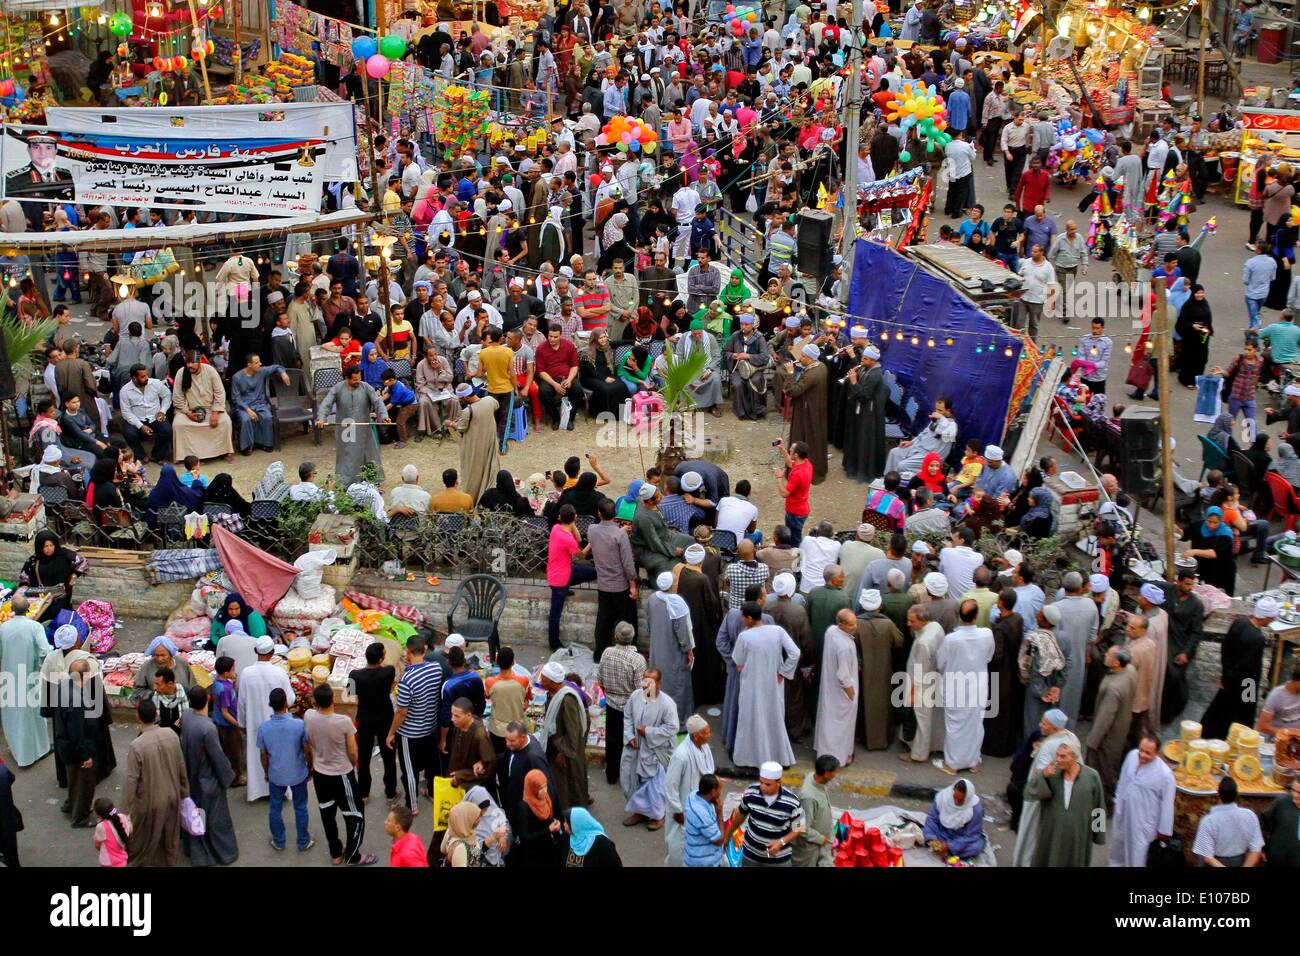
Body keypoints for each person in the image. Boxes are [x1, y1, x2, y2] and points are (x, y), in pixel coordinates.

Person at [306, 683, 374, 866]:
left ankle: (336, 853)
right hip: (342, 775)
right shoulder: (343, 722)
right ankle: (353, 855)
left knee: (327, 814)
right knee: (355, 814)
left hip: (320, 775)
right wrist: (352, 765)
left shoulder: (309, 717)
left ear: (315, 701)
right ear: (333, 700)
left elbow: (308, 742)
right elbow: (353, 751)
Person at [732, 600, 801, 768]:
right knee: (773, 718)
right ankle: (778, 756)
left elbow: (738, 662)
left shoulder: (744, 636)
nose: (741, 619)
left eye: (743, 617)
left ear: (749, 618)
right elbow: (795, 652)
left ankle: (749, 758)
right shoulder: (777, 631)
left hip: (752, 685)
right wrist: (783, 671)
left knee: (751, 719)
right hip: (773, 684)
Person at [122, 698, 190, 867]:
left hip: (149, 802)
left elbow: (131, 781)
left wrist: (124, 812)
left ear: (138, 717)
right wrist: (185, 795)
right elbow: (181, 768)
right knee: (170, 842)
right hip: (173, 796)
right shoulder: (172, 735)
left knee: (143, 843)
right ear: (156, 714)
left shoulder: (137, 745)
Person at [1010, 708, 1080, 864]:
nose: (1040, 724)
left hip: (1040, 800)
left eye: (1044, 723)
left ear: (1054, 728)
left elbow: (1043, 775)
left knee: (1032, 836)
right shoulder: (1071, 738)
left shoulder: (1050, 746)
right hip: (1061, 801)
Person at [179, 685, 239, 866]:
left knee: (195, 815)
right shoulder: (208, 728)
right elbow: (218, 757)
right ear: (209, 699)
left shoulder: (187, 716)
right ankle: (222, 854)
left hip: (191, 775)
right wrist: (228, 776)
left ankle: (195, 851)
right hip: (208, 780)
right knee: (215, 820)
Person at [1024, 739, 1107, 866]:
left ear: (1075, 756)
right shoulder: (1052, 774)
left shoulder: (1092, 777)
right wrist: (1043, 776)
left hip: (1078, 837)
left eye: (1063, 756)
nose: (1058, 759)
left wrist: (1099, 834)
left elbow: (1099, 807)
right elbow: (1029, 793)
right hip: (1052, 835)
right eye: (1057, 755)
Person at [1202, 597, 1275, 739]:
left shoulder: (1239, 623)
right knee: (1243, 716)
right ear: (1265, 616)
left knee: (1220, 710)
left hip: (1229, 676)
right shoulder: (1257, 639)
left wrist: (1225, 676)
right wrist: (1233, 680)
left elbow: (1226, 648)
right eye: (1270, 617)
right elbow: (1246, 666)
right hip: (1248, 683)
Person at [938, 599, 995, 774]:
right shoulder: (987, 634)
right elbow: (989, 657)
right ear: (977, 616)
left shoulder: (950, 639)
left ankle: (953, 763)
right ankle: (973, 761)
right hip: (978, 685)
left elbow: (940, 664)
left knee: (954, 724)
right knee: (976, 723)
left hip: (955, 685)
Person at [387, 634, 443, 815]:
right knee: (432, 765)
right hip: (430, 727)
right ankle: (433, 793)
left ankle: (412, 805)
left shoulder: (406, 680)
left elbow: (401, 711)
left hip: (410, 733)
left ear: (408, 652)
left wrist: (391, 733)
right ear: (425, 649)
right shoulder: (436, 669)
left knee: (409, 770)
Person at [238, 636, 295, 802]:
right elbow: (290, 699)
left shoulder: (246, 673)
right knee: (279, 754)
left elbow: (241, 702)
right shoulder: (279, 672)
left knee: (257, 756)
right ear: (272, 652)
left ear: (256, 651)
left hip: (254, 724)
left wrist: (242, 723)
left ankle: (259, 790)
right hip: (277, 722)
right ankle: (282, 788)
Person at [258, 687, 313, 853]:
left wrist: (267, 772)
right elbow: (306, 749)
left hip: (276, 774)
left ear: (270, 705)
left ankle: (279, 841)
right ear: (286, 703)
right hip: (298, 772)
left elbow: (264, 755)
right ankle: (303, 841)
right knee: (301, 807)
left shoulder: (264, 728)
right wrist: (309, 766)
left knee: (275, 807)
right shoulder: (299, 724)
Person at [1108, 735, 1176, 867]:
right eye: (1141, 750)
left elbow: (1167, 805)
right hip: (1124, 813)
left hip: (1143, 822)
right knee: (1118, 847)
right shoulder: (1132, 756)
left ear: (1157, 754)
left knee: (1138, 855)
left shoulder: (1165, 775)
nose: (1142, 755)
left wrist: (1163, 831)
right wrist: (1118, 803)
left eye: (1148, 753)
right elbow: (1123, 780)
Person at [0, 595, 52, 767]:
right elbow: (45, 649)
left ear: (12, 609)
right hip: (30, 677)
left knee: (13, 715)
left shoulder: (4, 627)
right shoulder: (34, 627)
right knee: (34, 714)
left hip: (9, 677)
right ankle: (39, 750)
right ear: (28, 608)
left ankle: (19, 752)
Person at [317, 364, 389, 487]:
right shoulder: (338, 388)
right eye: (355, 379)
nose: (358, 381)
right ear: (347, 378)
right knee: (348, 455)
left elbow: (377, 402)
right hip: (346, 427)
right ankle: (346, 482)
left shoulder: (365, 387)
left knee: (369, 453)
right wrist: (321, 418)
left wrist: (383, 416)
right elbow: (326, 404)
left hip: (363, 426)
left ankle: (372, 480)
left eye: (359, 378)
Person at [1086, 645, 1139, 804]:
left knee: (1101, 773)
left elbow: (1104, 719)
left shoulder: (1113, 688)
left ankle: (1100, 811)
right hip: (1121, 728)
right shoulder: (1130, 670)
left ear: (1116, 663)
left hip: (1107, 737)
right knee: (1111, 768)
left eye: (1108, 655)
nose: (1104, 655)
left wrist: (1092, 742)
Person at [51, 659, 101, 828]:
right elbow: (76, 733)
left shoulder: (64, 686)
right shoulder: (76, 701)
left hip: (65, 745)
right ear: (85, 675)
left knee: (74, 778)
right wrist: (85, 755)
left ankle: (71, 804)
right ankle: (81, 816)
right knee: (84, 782)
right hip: (78, 748)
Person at [727, 761, 805, 867]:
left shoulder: (793, 802)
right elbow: (741, 813)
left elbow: (799, 828)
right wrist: (728, 833)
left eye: (768, 784)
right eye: (761, 782)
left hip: (778, 860)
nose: (763, 787)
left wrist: (781, 842)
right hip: (751, 855)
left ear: (779, 782)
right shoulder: (751, 792)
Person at [663, 714, 715, 867]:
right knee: (679, 848)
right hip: (683, 811)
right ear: (696, 736)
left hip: (701, 807)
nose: (709, 735)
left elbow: (708, 773)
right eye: (706, 733)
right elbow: (670, 786)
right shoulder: (681, 756)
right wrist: (677, 811)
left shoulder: (704, 749)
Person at [538, 661, 589, 812]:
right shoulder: (553, 693)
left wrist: (563, 753)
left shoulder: (567, 700)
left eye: (544, 679)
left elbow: (574, 731)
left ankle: (572, 816)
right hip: (556, 747)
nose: (541, 681)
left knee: (569, 786)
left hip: (564, 752)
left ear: (553, 682)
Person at [646, 572, 694, 726]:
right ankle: (677, 720)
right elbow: (682, 633)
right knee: (677, 685)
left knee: (654, 678)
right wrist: (689, 651)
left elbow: (649, 623)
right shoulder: (676, 602)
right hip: (673, 651)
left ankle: (652, 716)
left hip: (656, 646)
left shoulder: (652, 598)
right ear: (671, 585)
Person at [815, 609, 860, 767]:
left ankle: (824, 751)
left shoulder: (831, 632)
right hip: (842, 691)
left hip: (830, 688)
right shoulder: (844, 645)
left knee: (828, 722)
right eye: (851, 624)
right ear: (841, 624)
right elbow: (843, 675)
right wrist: (851, 694)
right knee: (842, 726)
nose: (855, 626)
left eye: (855, 622)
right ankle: (840, 757)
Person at [171, 352, 235, 463]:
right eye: (188, 362)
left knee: (225, 422)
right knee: (178, 424)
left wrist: (215, 413)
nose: (190, 365)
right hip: (188, 410)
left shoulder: (210, 371)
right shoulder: (181, 373)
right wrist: (188, 413)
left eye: (193, 362)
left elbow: (219, 393)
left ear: (199, 362)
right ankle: (185, 456)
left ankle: (224, 451)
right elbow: (178, 396)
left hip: (211, 409)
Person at [902, 604, 945, 764]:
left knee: (921, 720)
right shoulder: (936, 627)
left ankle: (918, 754)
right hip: (934, 678)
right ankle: (932, 746)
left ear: (923, 620)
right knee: (931, 717)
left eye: (912, 621)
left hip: (922, 685)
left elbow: (918, 673)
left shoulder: (923, 643)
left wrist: (912, 695)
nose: (908, 624)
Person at [783, 343, 830, 483]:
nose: (800, 358)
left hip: (807, 411)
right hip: (815, 408)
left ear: (810, 358)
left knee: (804, 437)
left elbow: (792, 391)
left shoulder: (812, 374)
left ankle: (803, 472)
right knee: (816, 438)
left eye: (803, 356)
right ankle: (817, 468)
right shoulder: (821, 367)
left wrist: (790, 373)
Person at [1193, 777, 1264, 867]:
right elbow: (1256, 851)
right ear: (1236, 794)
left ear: (1218, 794)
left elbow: (1208, 857)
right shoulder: (1250, 816)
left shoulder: (1208, 821)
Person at [230, 354, 291, 455]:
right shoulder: (237, 377)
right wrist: (248, 410)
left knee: (267, 417)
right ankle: (247, 446)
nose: (260, 364)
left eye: (259, 361)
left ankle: (266, 443)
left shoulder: (261, 371)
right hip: (243, 406)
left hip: (259, 403)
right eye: (257, 362)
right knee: (245, 419)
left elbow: (277, 367)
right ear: (249, 365)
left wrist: (283, 373)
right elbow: (235, 398)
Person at [20, 529, 81, 622]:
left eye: (51, 545)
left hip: (61, 599)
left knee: (60, 622)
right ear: (40, 547)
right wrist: (24, 589)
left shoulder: (65, 555)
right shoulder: (33, 561)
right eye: (45, 546)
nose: (49, 549)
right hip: (41, 601)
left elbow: (82, 562)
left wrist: (75, 575)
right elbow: (24, 578)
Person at [454, 384, 501, 504]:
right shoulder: (490, 401)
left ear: (465, 398)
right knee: (489, 467)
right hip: (490, 442)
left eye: (460, 399)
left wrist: (451, 424)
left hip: (475, 446)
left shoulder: (467, 411)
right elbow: (496, 406)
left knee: (474, 472)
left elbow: (461, 428)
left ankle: (473, 498)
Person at [923, 778, 987, 861]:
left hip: (961, 837)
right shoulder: (942, 798)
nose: (956, 802)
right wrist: (933, 839)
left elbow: (971, 835)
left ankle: (948, 851)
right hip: (942, 831)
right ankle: (946, 851)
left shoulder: (976, 809)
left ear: (967, 798)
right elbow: (932, 819)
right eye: (954, 798)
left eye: (961, 800)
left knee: (976, 847)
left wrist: (949, 846)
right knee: (928, 833)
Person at [793, 754, 839, 867]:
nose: (836, 775)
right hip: (811, 847)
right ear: (827, 774)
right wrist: (820, 838)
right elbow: (800, 827)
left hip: (822, 843)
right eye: (834, 772)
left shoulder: (813, 777)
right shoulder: (808, 798)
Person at [1180, 505, 1236, 596]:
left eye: (1215, 522)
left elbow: (1214, 553)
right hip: (1203, 567)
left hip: (1221, 571)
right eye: (1209, 521)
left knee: (1218, 596)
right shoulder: (1199, 525)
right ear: (1205, 518)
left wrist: (1194, 551)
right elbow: (1186, 534)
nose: (1211, 525)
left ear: (1221, 521)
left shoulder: (1225, 534)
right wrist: (1179, 531)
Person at [513, 768, 564, 868]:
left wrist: (555, 827)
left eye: (545, 786)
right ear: (532, 788)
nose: (544, 791)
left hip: (548, 849)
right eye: (540, 788)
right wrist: (548, 830)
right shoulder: (523, 807)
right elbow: (525, 838)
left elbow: (548, 820)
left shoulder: (546, 799)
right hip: (533, 855)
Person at [774, 440, 814, 546]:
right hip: (801, 509)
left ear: (796, 455)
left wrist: (779, 478)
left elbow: (784, 493)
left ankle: (796, 559)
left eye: (791, 449)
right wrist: (782, 449)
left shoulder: (797, 474)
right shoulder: (806, 463)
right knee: (793, 537)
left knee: (794, 541)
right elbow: (789, 463)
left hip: (795, 513)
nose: (789, 450)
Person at [684, 773, 728, 868]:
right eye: (720, 789)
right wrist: (719, 813)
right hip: (703, 862)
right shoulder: (701, 814)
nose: (721, 793)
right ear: (712, 792)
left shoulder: (693, 795)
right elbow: (719, 840)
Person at [1261, 778, 1300, 867]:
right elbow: (1263, 823)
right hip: (1277, 860)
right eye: (1293, 790)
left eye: (1299, 792)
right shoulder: (1281, 803)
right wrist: (1262, 848)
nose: (1295, 795)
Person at [1259, 666, 1300, 736]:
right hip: (1277, 741)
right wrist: (1289, 734)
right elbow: (1262, 726)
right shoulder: (1276, 695)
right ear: (1298, 683)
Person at [92, 798, 132, 868]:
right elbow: (129, 828)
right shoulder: (122, 817)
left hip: (108, 862)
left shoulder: (101, 827)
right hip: (123, 860)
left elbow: (97, 845)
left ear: (99, 816)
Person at [441, 802, 484, 867]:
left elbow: (442, 849)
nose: (479, 820)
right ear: (466, 820)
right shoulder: (461, 848)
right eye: (476, 818)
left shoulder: (451, 831)